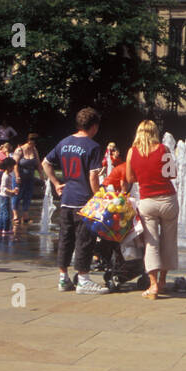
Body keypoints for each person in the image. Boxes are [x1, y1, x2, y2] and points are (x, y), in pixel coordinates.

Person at [43, 109, 104, 293]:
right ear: (94, 127)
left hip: (67, 199)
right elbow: (93, 177)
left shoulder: (64, 142)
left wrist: (55, 183)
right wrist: (100, 197)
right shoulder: (93, 146)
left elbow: (46, 162)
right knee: (84, 240)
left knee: (65, 239)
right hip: (84, 200)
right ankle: (83, 279)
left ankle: (63, 278)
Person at [126, 119, 180, 299]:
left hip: (147, 201)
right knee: (168, 241)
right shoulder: (164, 149)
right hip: (168, 200)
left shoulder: (132, 152)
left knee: (151, 243)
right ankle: (163, 281)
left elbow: (130, 177)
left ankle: (153, 285)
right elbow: (172, 173)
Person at [12, 135, 41, 223]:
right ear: (28, 141)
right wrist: (17, 176)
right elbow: (15, 164)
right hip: (20, 176)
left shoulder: (34, 150)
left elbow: (38, 164)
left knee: (27, 196)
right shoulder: (19, 150)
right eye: (31, 143)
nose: (32, 145)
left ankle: (25, 215)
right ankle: (15, 215)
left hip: (30, 177)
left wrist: (42, 176)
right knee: (17, 195)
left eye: (34, 144)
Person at [0, 156, 18, 235]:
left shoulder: (7, 175)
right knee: (6, 213)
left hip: (3, 196)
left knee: (2, 213)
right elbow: (3, 188)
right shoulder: (6, 176)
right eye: (12, 167)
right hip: (5, 197)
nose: (13, 169)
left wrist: (13, 191)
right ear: (8, 167)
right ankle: (6, 229)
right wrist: (12, 191)